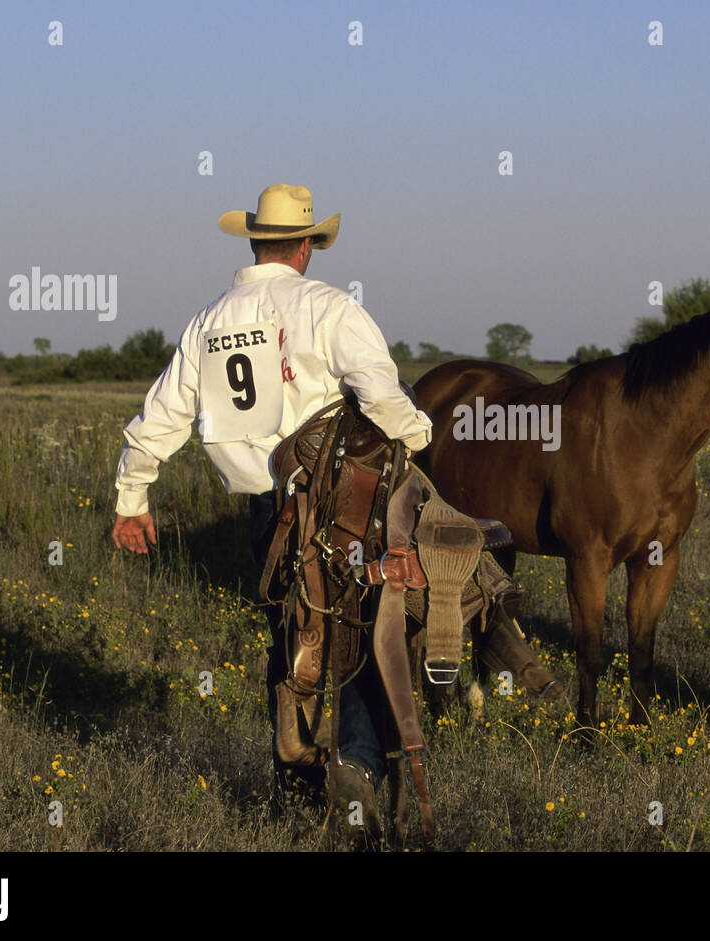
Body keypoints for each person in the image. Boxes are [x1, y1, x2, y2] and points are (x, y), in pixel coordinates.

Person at [110, 184, 434, 830]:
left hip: (267, 510)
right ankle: (361, 766)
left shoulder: (209, 322)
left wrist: (131, 496)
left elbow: (162, 415)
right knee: (362, 626)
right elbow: (380, 393)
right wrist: (421, 436)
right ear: (307, 246)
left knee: (292, 632)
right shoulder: (328, 307)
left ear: (255, 241)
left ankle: (296, 777)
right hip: (340, 502)